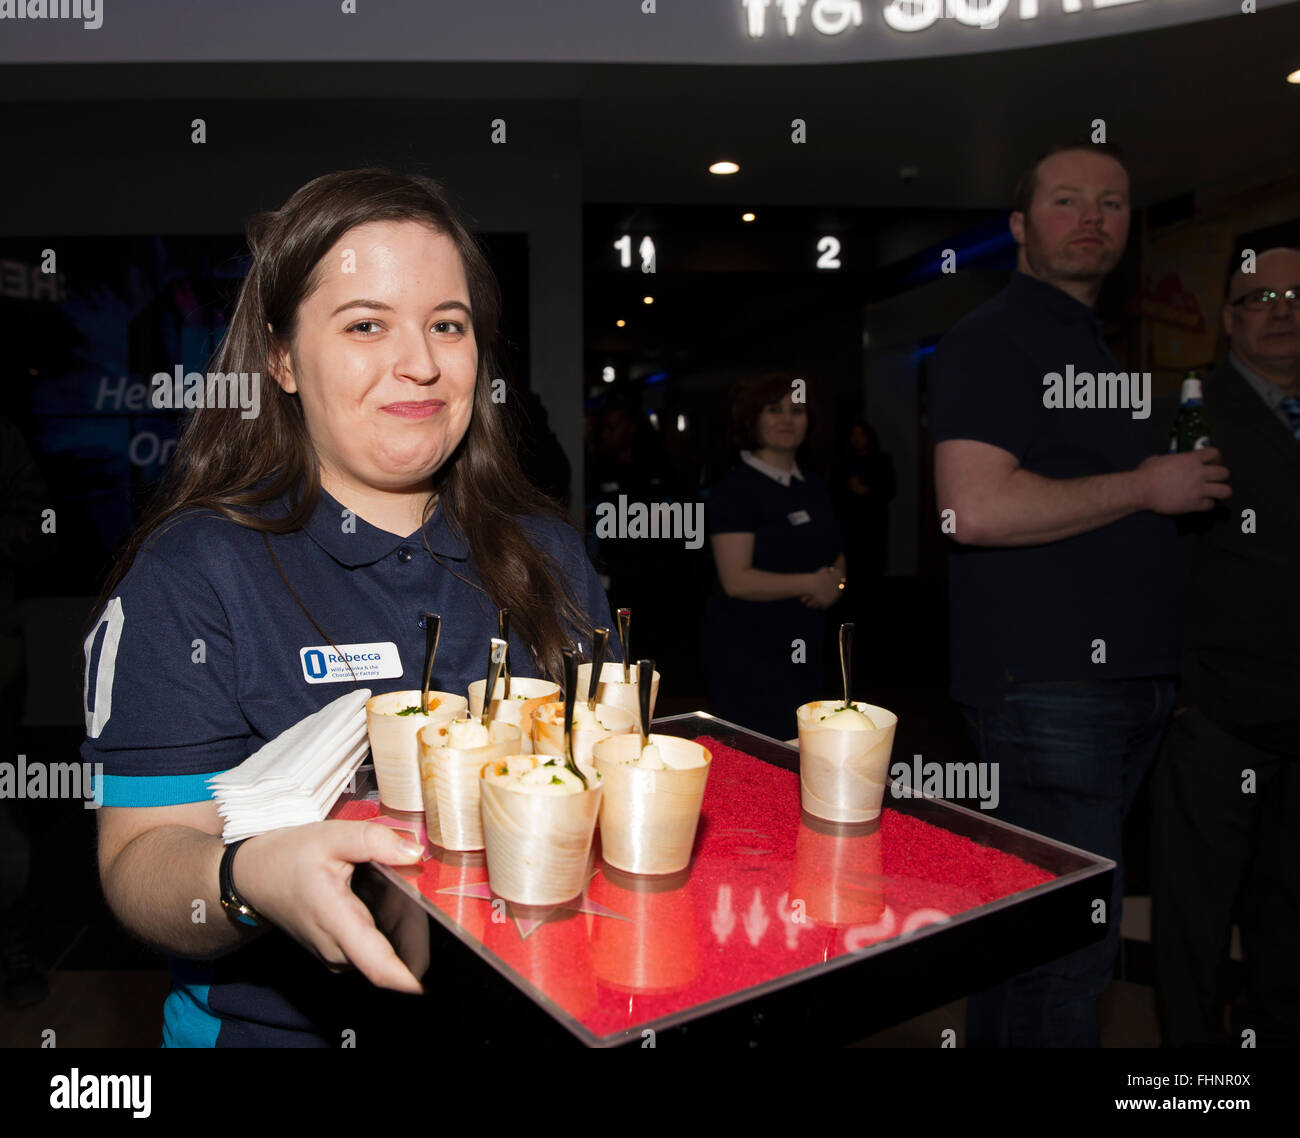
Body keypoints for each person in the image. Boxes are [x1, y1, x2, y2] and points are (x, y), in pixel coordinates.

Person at [81, 169, 616, 1047]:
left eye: (448, 324)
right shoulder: (195, 571)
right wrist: (248, 879)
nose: (423, 362)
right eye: (367, 324)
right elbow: (140, 862)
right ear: (283, 359)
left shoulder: (548, 552)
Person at [928, 141, 1231, 1047]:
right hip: (1049, 691)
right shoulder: (995, 338)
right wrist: (1146, 485)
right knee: (1067, 954)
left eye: (1113, 202)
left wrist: (1159, 666)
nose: (1094, 217)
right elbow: (971, 511)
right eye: (1067, 201)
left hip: (1117, 689)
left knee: (1036, 940)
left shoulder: (1092, 342)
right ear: (1021, 228)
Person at [1150, 246, 1300, 1048]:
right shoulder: (1194, 412)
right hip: (1220, 714)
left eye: (1296, 296)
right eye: (1261, 297)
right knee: (1194, 926)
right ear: (1231, 321)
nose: (1282, 309)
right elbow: (1158, 555)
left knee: (1288, 919)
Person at [703, 374, 845, 742]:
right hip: (751, 653)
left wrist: (837, 584)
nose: (787, 419)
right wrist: (814, 583)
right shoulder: (735, 490)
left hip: (808, 646)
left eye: (797, 410)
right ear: (753, 419)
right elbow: (736, 580)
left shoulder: (812, 484)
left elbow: (836, 553)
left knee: (806, 750)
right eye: (774, 409)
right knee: (756, 759)